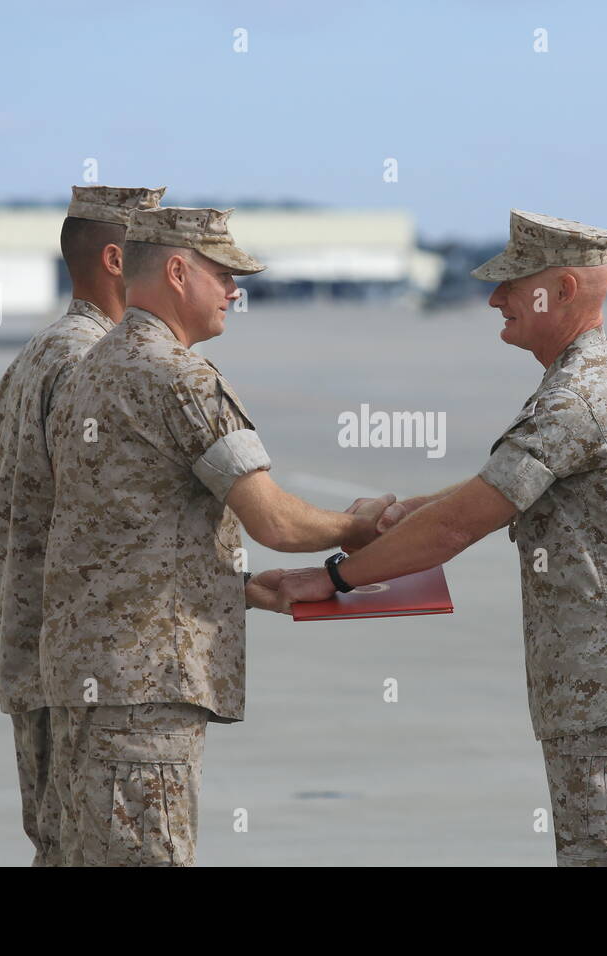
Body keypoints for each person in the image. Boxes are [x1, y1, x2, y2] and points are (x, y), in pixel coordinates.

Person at [268, 209, 607, 867]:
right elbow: (494, 488)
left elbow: (464, 522)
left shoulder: (579, 394)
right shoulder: (601, 375)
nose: (496, 297)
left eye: (513, 284)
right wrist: (404, 512)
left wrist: (332, 580)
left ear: (564, 290)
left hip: (604, 678)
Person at [40, 205, 394, 866]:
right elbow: (276, 521)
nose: (235, 290)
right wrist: (358, 527)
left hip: (87, 685)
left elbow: (119, 533)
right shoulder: (178, 378)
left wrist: (242, 588)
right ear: (178, 272)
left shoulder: (88, 371)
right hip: (147, 698)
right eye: (224, 273)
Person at [0, 184, 165, 866]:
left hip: (35, 647)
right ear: (119, 260)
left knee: (61, 848)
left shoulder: (34, 356)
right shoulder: (89, 363)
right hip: (82, 663)